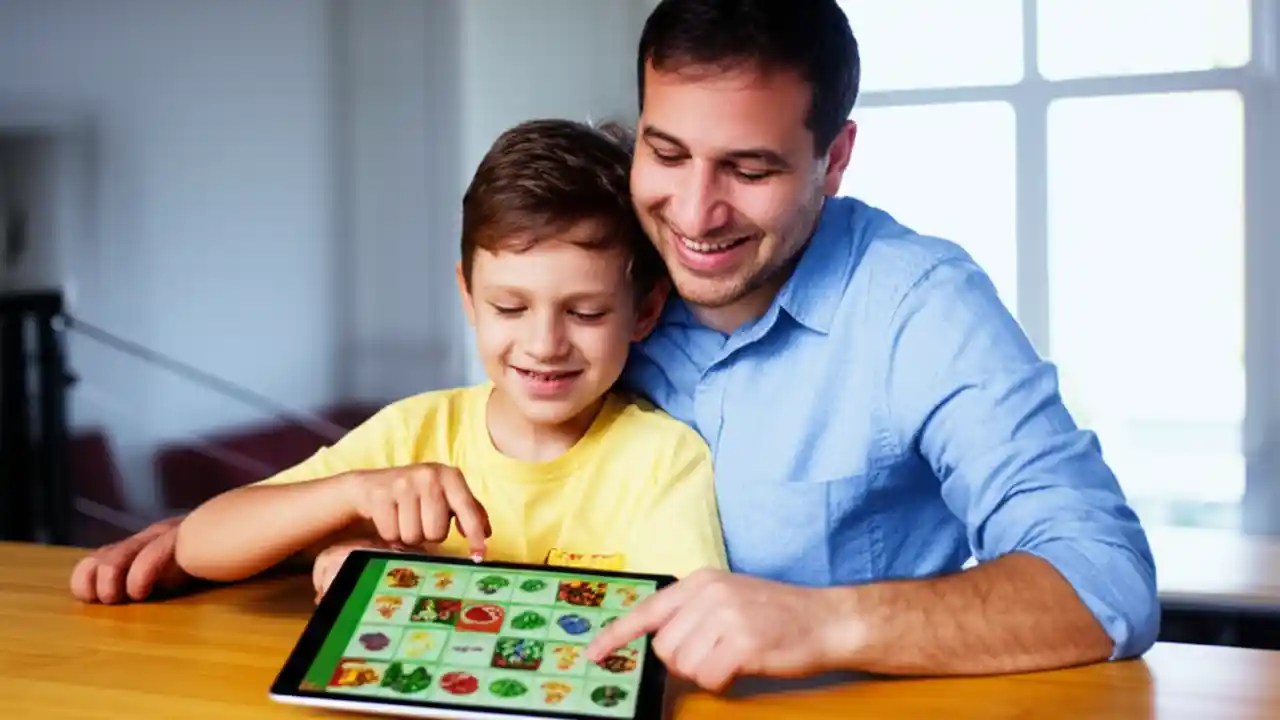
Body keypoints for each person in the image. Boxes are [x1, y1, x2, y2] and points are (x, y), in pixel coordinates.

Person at [72, 0, 1158, 693]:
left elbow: (1103, 581)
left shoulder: (918, 305)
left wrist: (819, 625)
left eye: (749, 169)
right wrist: (235, 529)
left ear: (833, 159)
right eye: (665, 148)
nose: (693, 214)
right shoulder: (602, 262)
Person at [170, 118, 726, 599]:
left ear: (646, 312)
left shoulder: (662, 460)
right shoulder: (411, 436)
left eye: (584, 314)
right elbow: (200, 545)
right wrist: (351, 495)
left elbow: (681, 629)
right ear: (468, 298)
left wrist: (419, 585)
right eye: (510, 307)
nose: (545, 343)